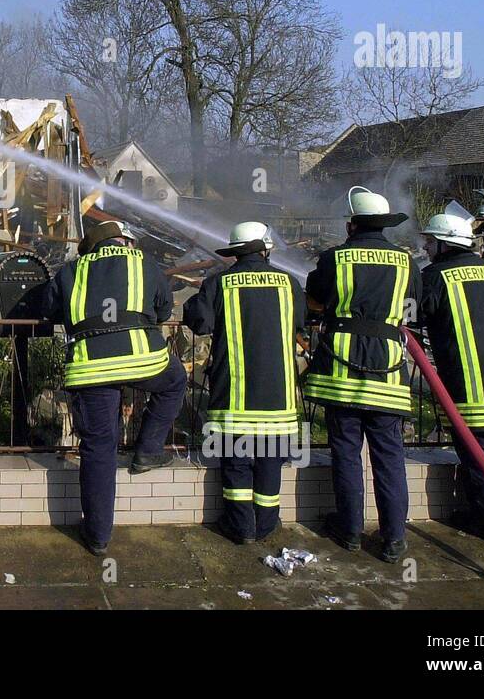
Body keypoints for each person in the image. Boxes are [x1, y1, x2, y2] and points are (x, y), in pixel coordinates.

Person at [42, 219, 187, 555]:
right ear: (124, 241)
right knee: (175, 381)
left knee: (99, 447)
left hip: (91, 367)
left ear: (92, 246)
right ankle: (149, 449)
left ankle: (98, 536)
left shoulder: (69, 270)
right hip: (143, 359)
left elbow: (50, 310)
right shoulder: (145, 263)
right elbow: (163, 309)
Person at [303, 186, 419, 562]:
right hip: (387, 370)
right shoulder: (406, 262)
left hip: (342, 370)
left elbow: (316, 299)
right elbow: (412, 307)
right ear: (384, 226)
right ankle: (394, 538)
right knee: (389, 456)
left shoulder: (335, 258)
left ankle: (350, 530)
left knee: (347, 452)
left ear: (351, 225)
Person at [183, 222, 305, 544]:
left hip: (234, 397)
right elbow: (301, 320)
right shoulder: (288, 283)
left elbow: (199, 322)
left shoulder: (220, 282)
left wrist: (196, 300)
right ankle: (266, 524)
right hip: (278, 398)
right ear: (264, 250)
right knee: (269, 462)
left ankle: (241, 529)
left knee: (235, 464)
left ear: (236, 253)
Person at [417, 211, 484, 545]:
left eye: (430, 242)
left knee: (479, 454)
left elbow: (418, 313)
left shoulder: (436, 275)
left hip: (468, 382)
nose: (427, 248)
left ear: (445, 244)